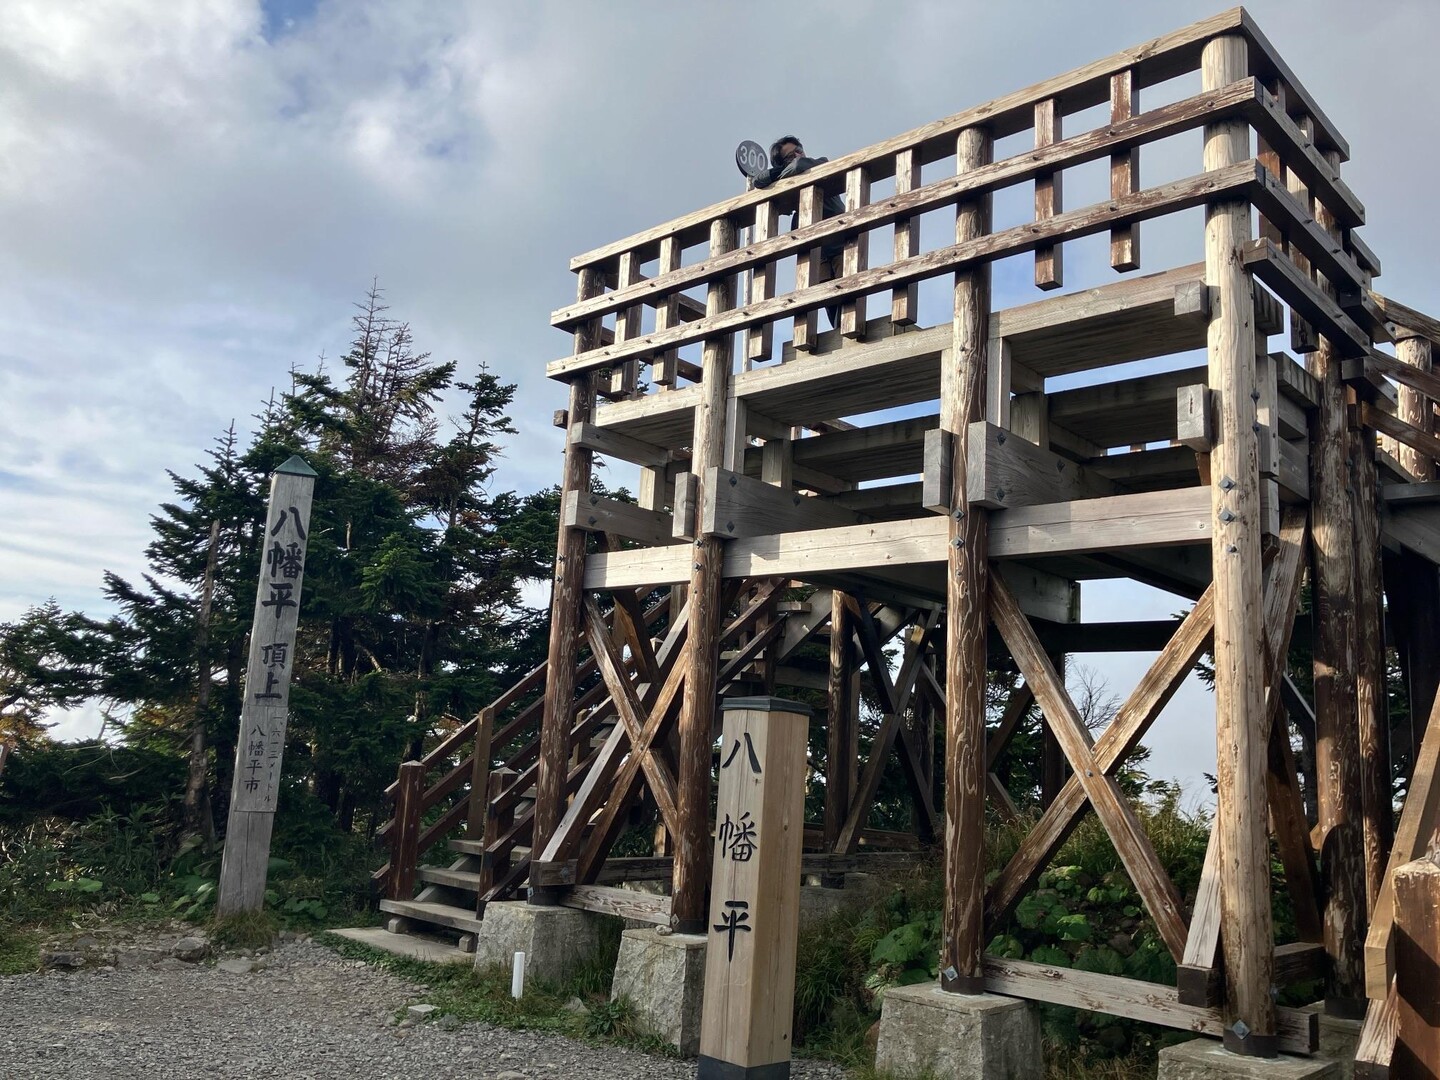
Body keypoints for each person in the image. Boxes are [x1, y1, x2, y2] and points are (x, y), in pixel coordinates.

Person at [751, 136, 845, 328]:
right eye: (790, 155)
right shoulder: (790, 178)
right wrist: (781, 173)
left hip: (842, 244)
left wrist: (781, 173)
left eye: (798, 149)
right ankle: (837, 332)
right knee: (829, 300)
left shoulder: (817, 163)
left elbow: (799, 165)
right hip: (819, 252)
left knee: (848, 294)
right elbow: (758, 181)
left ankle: (849, 333)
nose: (797, 154)